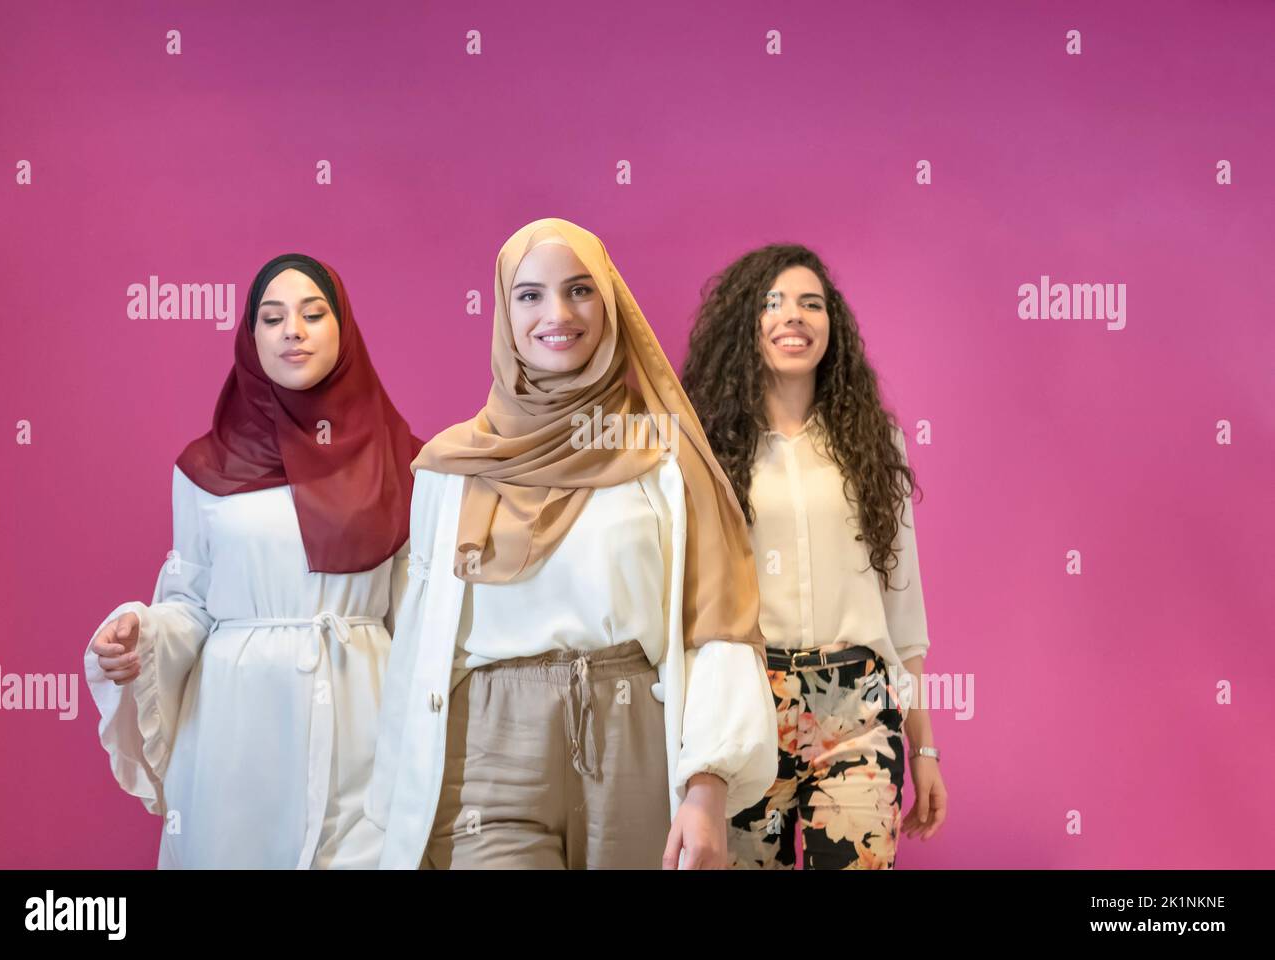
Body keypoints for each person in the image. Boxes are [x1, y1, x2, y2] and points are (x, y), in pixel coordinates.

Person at [365, 217, 777, 869]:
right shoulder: (450, 468)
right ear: (505, 311)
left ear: (609, 303)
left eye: (580, 290)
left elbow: (717, 628)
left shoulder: (666, 459)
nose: (557, 314)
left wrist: (707, 787)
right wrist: (393, 803)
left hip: (631, 732)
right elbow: (418, 640)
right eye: (530, 294)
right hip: (487, 746)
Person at [84, 253, 422, 868]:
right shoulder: (204, 469)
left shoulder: (404, 464)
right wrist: (143, 630)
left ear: (343, 330)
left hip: (365, 720)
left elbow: (416, 617)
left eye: (313, 314)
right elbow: (192, 605)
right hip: (237, 731)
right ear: (251, 337)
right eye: (272, 318)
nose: (293, 330)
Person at [681, 244, 947, 869]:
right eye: (772, 303)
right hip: (746, 704)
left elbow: (903, 609)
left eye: (811, 303)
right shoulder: (707, 449)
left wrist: (925, 750)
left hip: (858, 708)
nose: (793, 316)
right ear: (745, 322)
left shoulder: (874, 443)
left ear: (833, 325)